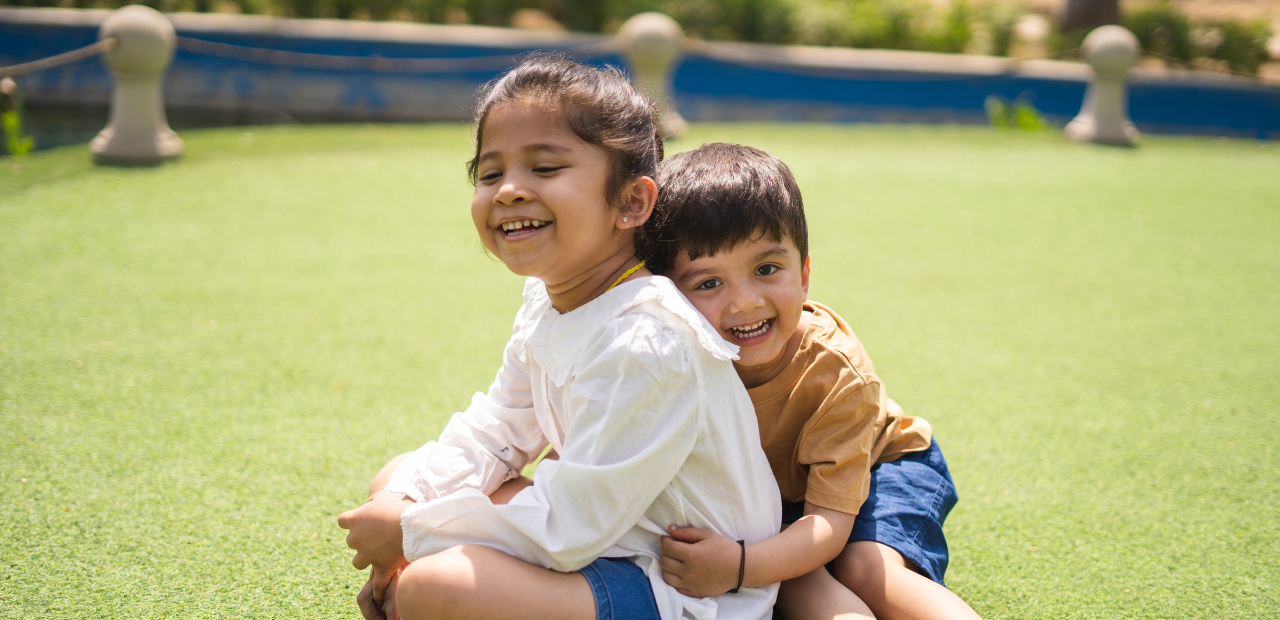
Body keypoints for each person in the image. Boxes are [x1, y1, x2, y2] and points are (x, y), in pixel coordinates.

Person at [336, 62, 781, 620]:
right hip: (610, 541)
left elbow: (570, 528)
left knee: (436, 584)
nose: (510, 191)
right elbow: (500, 428)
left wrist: (408, 534)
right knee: (401, 479)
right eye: (490, 174)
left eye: (544, 167)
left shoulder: (645, 342)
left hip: (678, 586)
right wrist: (406, 508)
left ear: (630, 204)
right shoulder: (546, 299)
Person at [643, 143, 981, 620]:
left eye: (766, 269)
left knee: (864, 568)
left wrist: (740, 566)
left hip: (881, 466)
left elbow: (828, 524)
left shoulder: (835, 372)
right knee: (796, 578)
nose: (745, 304)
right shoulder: (664, 356)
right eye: (708, 283)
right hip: (780, 495)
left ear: (803, 274)